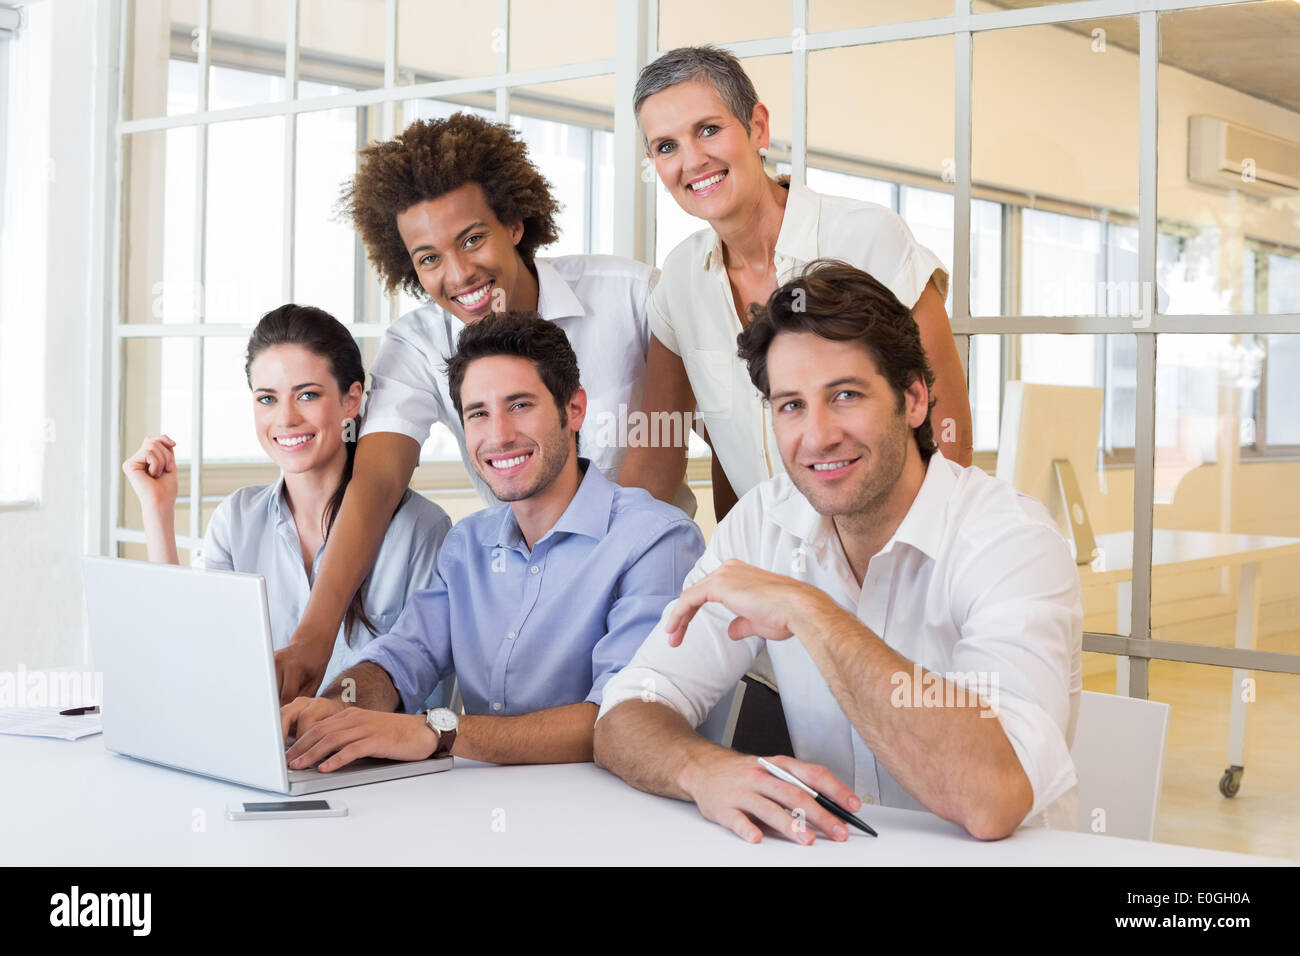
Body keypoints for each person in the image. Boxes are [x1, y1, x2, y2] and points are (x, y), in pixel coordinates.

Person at [594, 261, 1081, 844]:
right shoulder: (762, 522)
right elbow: (628, 711)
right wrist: (702, 769)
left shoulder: (1010, 540)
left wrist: (809, 609)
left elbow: (992, 797)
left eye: (845, 395)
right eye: (791, 405)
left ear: (916, 399)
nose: (818, 436)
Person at [276, 113, 691, 703]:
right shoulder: (419, 344)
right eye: (428, 259)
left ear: (515, 224)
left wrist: (579, 593)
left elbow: (658, 462)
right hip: (519, 578)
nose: (459, 274)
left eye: (472, 239)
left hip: (639, 578)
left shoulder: (630, 296)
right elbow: (375, 482)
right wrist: (314, 637)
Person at [281, 311, 704, 768]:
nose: (498, 436)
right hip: (478, 813)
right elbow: (402, 659)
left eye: (520, 405)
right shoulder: (468, 545)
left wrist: (437, 732)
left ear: (574, 409)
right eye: (478, 414)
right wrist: (339, 707)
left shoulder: (656, 541)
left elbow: (618, 719)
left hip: (605, 819)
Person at [620, 44, 974, 522]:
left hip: (886, 548)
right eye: (667, 147)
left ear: (757, 128)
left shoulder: (868, 238)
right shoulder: (679, 280)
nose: (693, 160)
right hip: (774, 564)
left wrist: (914, 561)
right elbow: (662, 453)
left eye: (709, 129)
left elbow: (946, 426)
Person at [122, 304, 451, 693]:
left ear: (351, 400)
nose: (286, 418)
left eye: (307, 395)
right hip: (258, 749)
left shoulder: (421, 529)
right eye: (267, 399)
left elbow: (431, 696)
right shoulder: (237, 520)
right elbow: (192, 663)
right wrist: (158, 510)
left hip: (371, 755)